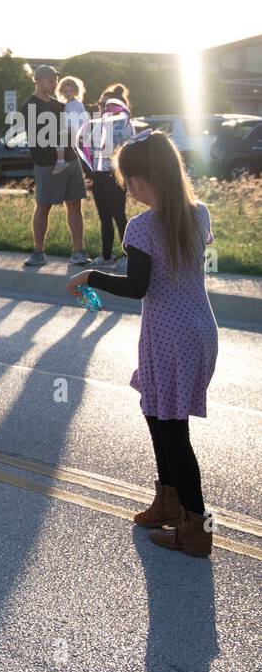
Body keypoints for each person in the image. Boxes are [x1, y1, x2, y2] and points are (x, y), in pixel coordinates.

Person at [67, 131, 218, 557]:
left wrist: (90, 276)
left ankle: (197, 528)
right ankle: (169, 501)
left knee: (174, 432)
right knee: (157, 412)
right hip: (198, 330)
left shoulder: (142, 227)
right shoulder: (199, 213)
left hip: (169, 335)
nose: (127, 188)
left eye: (128, 179)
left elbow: (137, 287)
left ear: (143, 178)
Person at [23, 64, 89, 267]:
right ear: (39, 81)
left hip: (71, 160)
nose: (54, 84)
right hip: (47, 165)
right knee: (43, 207)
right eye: (50, 80)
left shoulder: (60, 105)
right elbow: (39, 138)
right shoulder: (29, 106)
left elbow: (73, 127)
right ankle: (38, 252)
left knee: (75, 204)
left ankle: (78, 252)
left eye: (55, 80)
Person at [88, 84, 135, 269]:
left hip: (114, 175)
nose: (101, 107)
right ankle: (106, 255)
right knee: (104, 216)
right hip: (98, 174)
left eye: (105, 104)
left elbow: (128, 148)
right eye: (100, 104)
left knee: (118, 215)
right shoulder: (98, 123)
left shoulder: (123, 123)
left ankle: (128, 256)